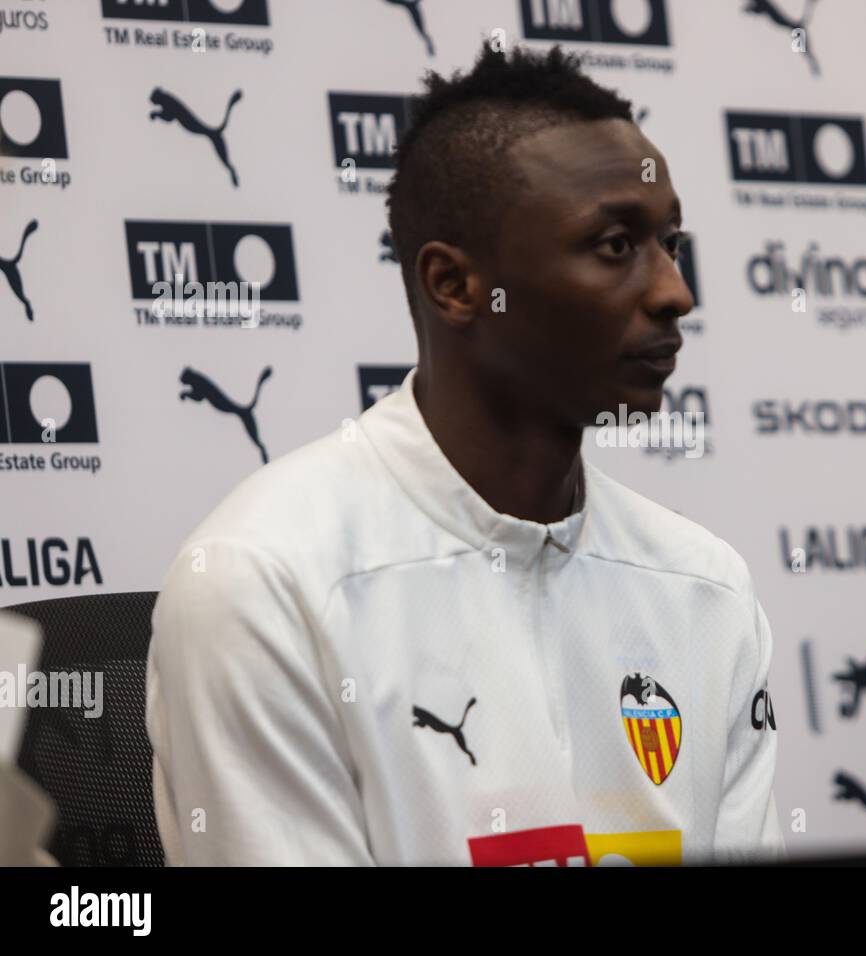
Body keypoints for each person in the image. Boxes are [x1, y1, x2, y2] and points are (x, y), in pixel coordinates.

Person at [146, 41, 784, 866]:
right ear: (454, 286)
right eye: (616, 246)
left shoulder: (706, 591)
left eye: (671, 243)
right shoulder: (265, 583)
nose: (674, 292)